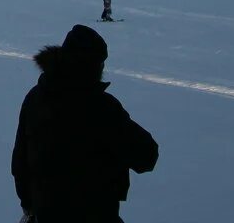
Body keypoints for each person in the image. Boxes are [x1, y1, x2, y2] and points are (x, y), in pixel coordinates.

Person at [11, 24, 158, 223]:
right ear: (92, 66)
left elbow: (20, 162)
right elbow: (146, 155)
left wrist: (29, 206)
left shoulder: (36, 98)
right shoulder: (102, 108)